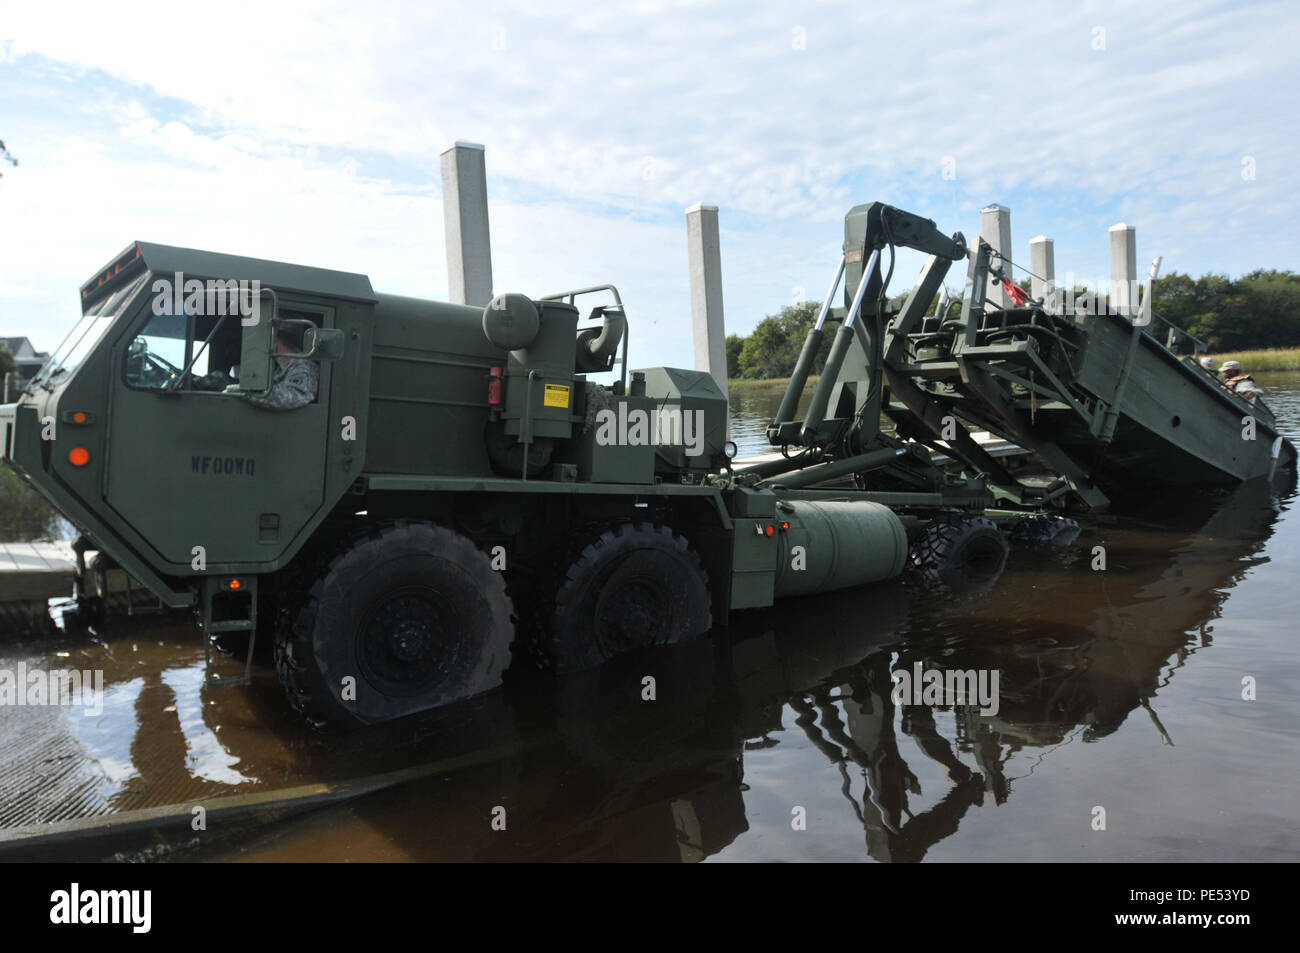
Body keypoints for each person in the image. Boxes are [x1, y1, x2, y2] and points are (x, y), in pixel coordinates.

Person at [244, 325, 318, 410]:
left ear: (274, 343)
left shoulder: (305, 368)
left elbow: (289, 398)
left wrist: (244, 393)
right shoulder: (281, 369)